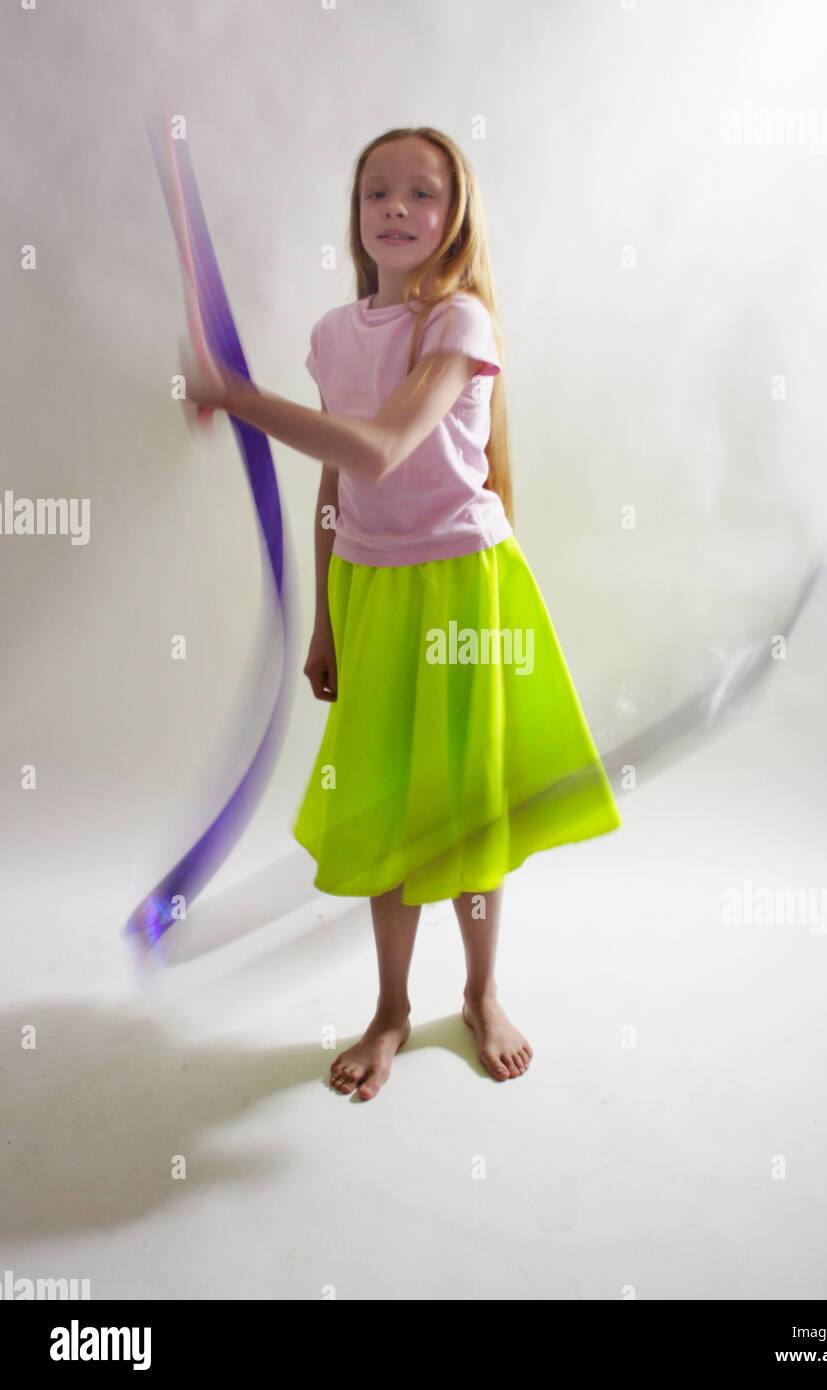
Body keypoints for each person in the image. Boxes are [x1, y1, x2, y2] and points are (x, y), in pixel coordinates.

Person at [179, 126, 622, 1100]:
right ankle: (388, 1009)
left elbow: (382, 447)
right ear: (357, 215)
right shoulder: (336, 335)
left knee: (461, 812)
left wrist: (239, 398)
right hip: (375, 591)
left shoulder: (458, 323)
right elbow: (340, 481)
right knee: (388, 806)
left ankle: (480, 990)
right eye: (378, 192)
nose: (396, 208)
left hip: (466, 588)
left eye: (421, 194)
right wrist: (328, 621)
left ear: (453, 216)